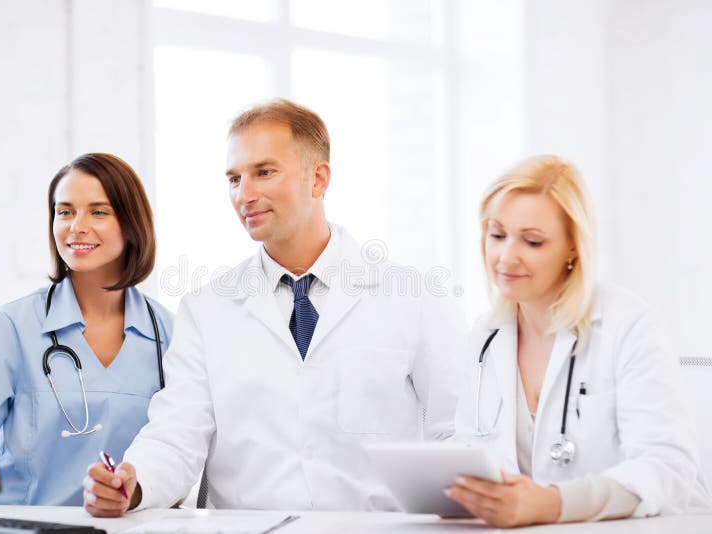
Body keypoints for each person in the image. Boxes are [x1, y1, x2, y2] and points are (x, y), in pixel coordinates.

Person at [82, 98, 465, 516]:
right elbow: (177, 434)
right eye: (233, 178)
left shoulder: (413, 297)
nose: (244, 194)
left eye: (264, 172)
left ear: (318, 179)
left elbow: (459, 432)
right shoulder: (207, 309)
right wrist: (133, 484)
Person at [446, 155, 710, 526]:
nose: (506, 256)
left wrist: (555, 503)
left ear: (573, 247)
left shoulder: (629, 327)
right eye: (497, 235)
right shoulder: (486, 336)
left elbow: (666, 467)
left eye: (533, 242)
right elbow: (469, 449)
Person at [0, 153, 173, 509]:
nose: (76, 226)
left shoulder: (167, 335)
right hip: (13, 525)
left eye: (98, 211)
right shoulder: (10, 326)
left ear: (131, 224)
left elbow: (175, 455)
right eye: (64, 211)